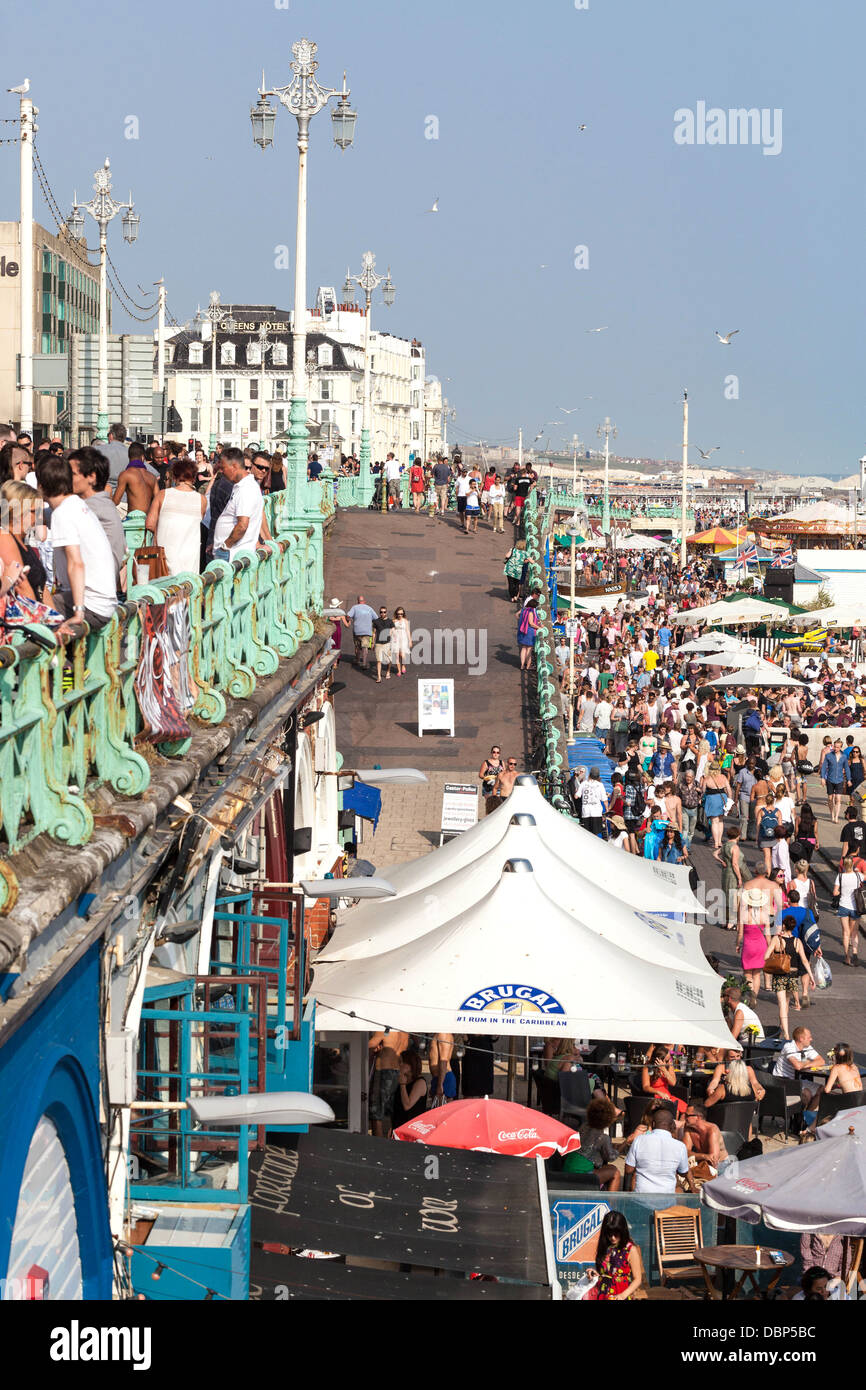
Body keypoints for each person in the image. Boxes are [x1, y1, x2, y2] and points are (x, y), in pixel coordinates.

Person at [40, 455, 118, 632]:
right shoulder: (77, 505)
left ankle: (57, 661)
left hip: (91, 606)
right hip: (105, 602)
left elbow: (76, 563)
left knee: (30, 613)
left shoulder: (62, 513)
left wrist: (78, 611)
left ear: (41, 487)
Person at [144, 458, 207, 577]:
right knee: (187, 591)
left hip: (165, 556)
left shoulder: (163, 495)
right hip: (189, 558)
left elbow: (149, 524)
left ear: (174, 476)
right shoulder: (201, 500)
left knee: (164, 591)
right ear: (193, 477)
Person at [212, 449, 270, 560]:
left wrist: (224, 546)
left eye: (224, 468)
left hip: (232, 553)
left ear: (233, 466)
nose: (222, 471)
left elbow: (242, 525)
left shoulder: (245, 489)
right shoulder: (243, 486)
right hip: (233, 551)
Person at [624, 1107, 696, 1193]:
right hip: (667, 1202)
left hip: (641, 1198)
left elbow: (628, 1170)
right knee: (680, 1190)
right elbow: (683, 1172)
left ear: (653, 1124)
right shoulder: (680, 1146)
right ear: (671, 1125)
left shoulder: (639, 1140)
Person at [765, 917, 815, 1040]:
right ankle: (782, 1026)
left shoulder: (777, 939)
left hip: (780, 974)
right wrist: (812, 977)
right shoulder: (798, 942)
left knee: (782, 1004)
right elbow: (804, 960)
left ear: (783, 926)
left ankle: (786, 1033)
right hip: (793, 976)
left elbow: (766, 956)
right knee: (786, 1002)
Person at [0, 480, 49, 604]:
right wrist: (42, 621)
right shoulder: (4, 537)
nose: (39, 517)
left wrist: (56, 618)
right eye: (34, 511)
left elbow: (42, 587)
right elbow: (22, 587)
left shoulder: (22, 539)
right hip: (27, 618)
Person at [773, 1026, 826, 1114]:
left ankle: (806, 1117)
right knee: (807, 1094)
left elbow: (821, 1061)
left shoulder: (807, 1047)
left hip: (796, 1080)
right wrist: (807, 1063)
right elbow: (797, 1066)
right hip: (782, 1081)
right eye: (809, 1037)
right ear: (801, 1039)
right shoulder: (789, 1047)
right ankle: (798, 1120)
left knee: (822, 1089)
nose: (811, 1039)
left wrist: (806, 1064)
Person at [591, 1211, 643, 1301]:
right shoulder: (606, 1247)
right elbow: (605, 1273)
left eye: (616, 1233)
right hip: (603, 1294)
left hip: (621, 1294)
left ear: (623, 1231)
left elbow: (638, 1279)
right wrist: (594, 1274)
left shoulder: (630, 1249)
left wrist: (623, 1295)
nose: (613, 1237)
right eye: (609, 1234)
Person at [368, 1029, 409, 1138]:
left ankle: (377, 1144)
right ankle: (390, 1140)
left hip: (384, 1071)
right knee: (392, 1112)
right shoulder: (404, 1031)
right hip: (397, 1071)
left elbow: (369, 1045)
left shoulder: (384, 1029)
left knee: (376, 1112)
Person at [737, 886, 772, 1001]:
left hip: (748, 946)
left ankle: (750, 991)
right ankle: (754, 997)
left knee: (748, 973)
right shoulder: (764, 915)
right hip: (761, 946)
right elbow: (767, 935)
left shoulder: (744, 914)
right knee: (757, 974)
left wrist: (737, 944)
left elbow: (740, 934)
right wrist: (770, 948)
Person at [832, 854, 863, 966]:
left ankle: (847, 957)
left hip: (843, 906)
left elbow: (835, 892)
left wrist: (842, 891)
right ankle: (855, 952)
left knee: (846, 933)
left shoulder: (840, 876)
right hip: (856, 907)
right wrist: (857, 871)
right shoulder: (858, 875)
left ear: (844, 865)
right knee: (854, 933)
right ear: (852, 864)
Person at [112, 443, 158, 517]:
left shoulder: (126, 474)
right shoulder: (152, 477)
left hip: (133, 520)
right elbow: (158, 501)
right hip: (147, 520)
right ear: (143, 457)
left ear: (129, 456)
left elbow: (116, 502)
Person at [391, 1049, 429, 1129]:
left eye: (401, 1062)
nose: (399, 1065)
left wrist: (402, 1085)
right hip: (398, 1125)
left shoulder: (420, 1082)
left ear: (410, 1065)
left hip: (411, 1127)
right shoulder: (404, 1080)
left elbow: (407, 1105)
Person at [683, 1102, 727, 1170]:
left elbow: (713, 1160)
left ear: (698, 1117)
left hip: (721, 1164)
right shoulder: (688, 1127)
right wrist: (703, 1156)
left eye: (687, 1115)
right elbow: (685, 1153)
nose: (684, 1117)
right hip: (703, 1162)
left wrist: (698, 1156)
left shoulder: (712, 1130)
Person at [714, 825, 742, 930]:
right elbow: (735, 864)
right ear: (738, 836)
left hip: (725, 873)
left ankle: (723, 921)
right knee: (733, 899)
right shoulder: (735, 847)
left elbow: (715, 854)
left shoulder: (725, 845)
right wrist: (739, 877)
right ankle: (731, 923)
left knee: (724, 896)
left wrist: (722, 861)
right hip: (732, 875)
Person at [342, 594, 378, 669]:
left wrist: (349, 620)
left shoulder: (354, 607)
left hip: (357, 630)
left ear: (358, 601)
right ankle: (364, 663)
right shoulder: (369, 608)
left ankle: (357, 660)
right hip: (367, 631)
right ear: (364, 601)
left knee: (357, 646)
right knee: (365, 647)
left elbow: (348, 616)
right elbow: (376, 618)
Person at [821, 739, 847, 824]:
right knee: (830, 798)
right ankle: (832, 814)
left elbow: (846, 768)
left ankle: (836, 817)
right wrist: (822, 778)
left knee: (838, 799)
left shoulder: (844, 756)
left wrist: (849, 779)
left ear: (840, 747)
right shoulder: (829, 755)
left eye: (837, 747)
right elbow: (824, 767)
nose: (835, 748)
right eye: (834, 746)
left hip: (839, 780)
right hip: (830, 779)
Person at [479, 745, 505, 815]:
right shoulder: (486, 762)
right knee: (490, 807)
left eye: (497, 752)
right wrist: (487, 778)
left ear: (499, 754)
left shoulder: (502, 762)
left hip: (498, 788)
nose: (496, 754)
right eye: (494, 752)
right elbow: (481, 774)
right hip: (488, 788)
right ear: (491, 753)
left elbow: (504, 773)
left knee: (499, 806)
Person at [372, 606, 394, 682]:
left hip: (387, 643)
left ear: (386, 612)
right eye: (381, 612)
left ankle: (388, 671)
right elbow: (374, 633)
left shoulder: (390, 621)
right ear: (379, 612)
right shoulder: (376, 621)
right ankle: (379, 677)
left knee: (389, 660)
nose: (383, 613)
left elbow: (392, 632)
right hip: (378, 644)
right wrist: (372, 642)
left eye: (384, 612)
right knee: (379, 660)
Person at [517, 596, 539, 671]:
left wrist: (522, 623)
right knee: (529, 649)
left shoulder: (523, 610)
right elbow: (531, 623)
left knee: (523, 648)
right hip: (529, 632)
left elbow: (517, 615)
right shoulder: (530, 612)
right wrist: (539, 628)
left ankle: (522, 665)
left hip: (522, 631)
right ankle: (528, 666)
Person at [390, 606, 412, 676]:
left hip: (403, 639)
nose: (400, 615)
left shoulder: (405, 621)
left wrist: (410, 640)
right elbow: (391, 630)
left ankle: (403, 665)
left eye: (401, 614)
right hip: (395, 639)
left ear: (403, 614)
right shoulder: (393, 621)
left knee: (402, 655)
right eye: (398, 613)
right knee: (396, 655)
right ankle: (399, 671)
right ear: (396, 613)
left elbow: (408, 631)